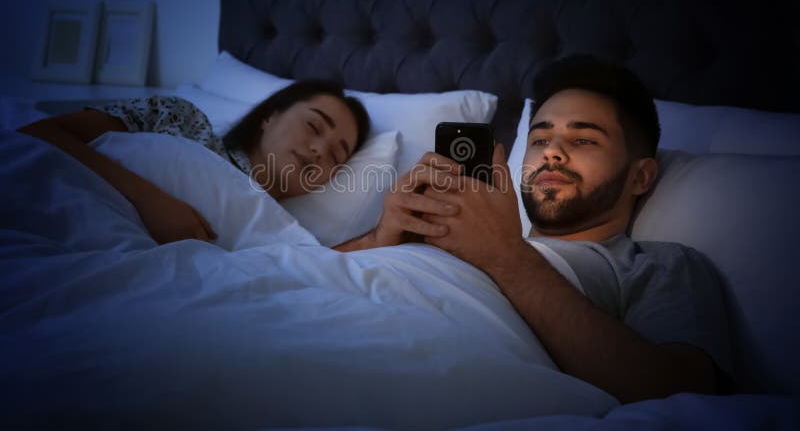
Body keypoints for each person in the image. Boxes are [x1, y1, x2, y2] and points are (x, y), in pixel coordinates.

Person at [336, 55, 732, 404]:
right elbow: (309, 267)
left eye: (583, 138)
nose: (552, 152)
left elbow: (682, 396)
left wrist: (506, 256)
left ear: (641, 177)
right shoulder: (455, 232)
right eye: (540, 138)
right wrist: (379, 238)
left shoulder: (660, 264)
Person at [19, 80, 370, 245]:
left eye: (337, 155)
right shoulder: (181, 120)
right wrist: (147, 198)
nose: (320, 150)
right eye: (313, 125)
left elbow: (320, 269)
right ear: (270, 117)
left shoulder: (284, 233)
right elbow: (39, 134)